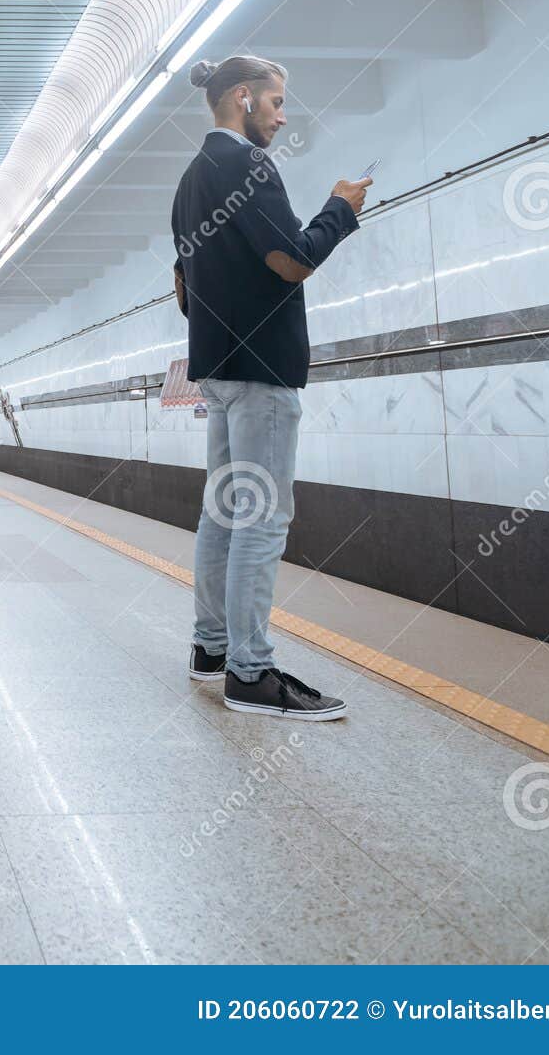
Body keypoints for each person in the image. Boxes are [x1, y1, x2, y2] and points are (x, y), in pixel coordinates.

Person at [170, 55, 370, 721]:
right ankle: (250, 674)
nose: (284, 116)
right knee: (261, 519)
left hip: (218, 367)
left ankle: (211, 649)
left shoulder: (191, 180)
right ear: (243, 97)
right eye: (277, 102)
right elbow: (292, 259)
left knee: (223, 514)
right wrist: (339, 210)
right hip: (261, 372)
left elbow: (182, 285)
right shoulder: (248, 167)